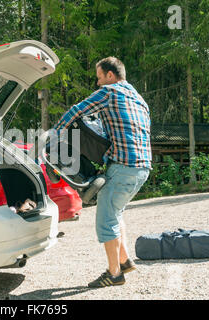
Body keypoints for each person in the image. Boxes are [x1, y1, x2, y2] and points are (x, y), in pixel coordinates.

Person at [53, 57, 152, 288]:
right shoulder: (139, 99)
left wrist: (55, 135)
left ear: (110, 75)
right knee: (115, 213)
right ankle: (124, 260)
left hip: (124, 167)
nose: (98, 83)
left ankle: (114, 274)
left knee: (106, 219)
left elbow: (77, 111)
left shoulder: (110, 92)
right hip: (142, 168)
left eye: (99, 77)